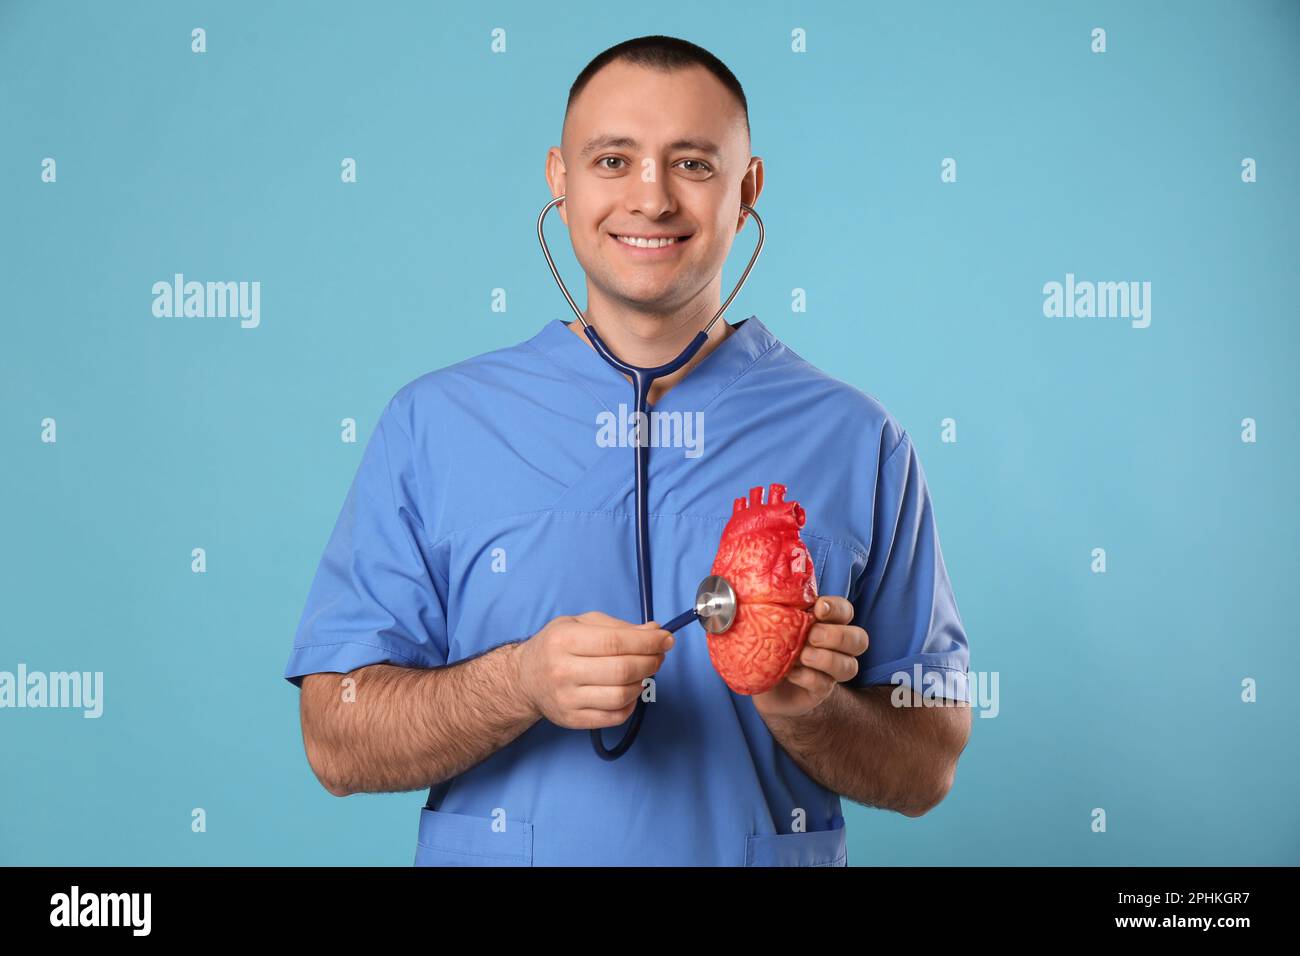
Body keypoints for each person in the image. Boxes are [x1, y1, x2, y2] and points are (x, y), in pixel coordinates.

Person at [284, 35, 972, 867]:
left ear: (747, 189)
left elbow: (928, 764)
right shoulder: (433, 424)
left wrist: (811, 712)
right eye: (613, 160)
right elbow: (335, 738)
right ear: (560, 181)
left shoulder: (860, 442)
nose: (651, 199)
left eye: (692, 163)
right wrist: (519, 683)